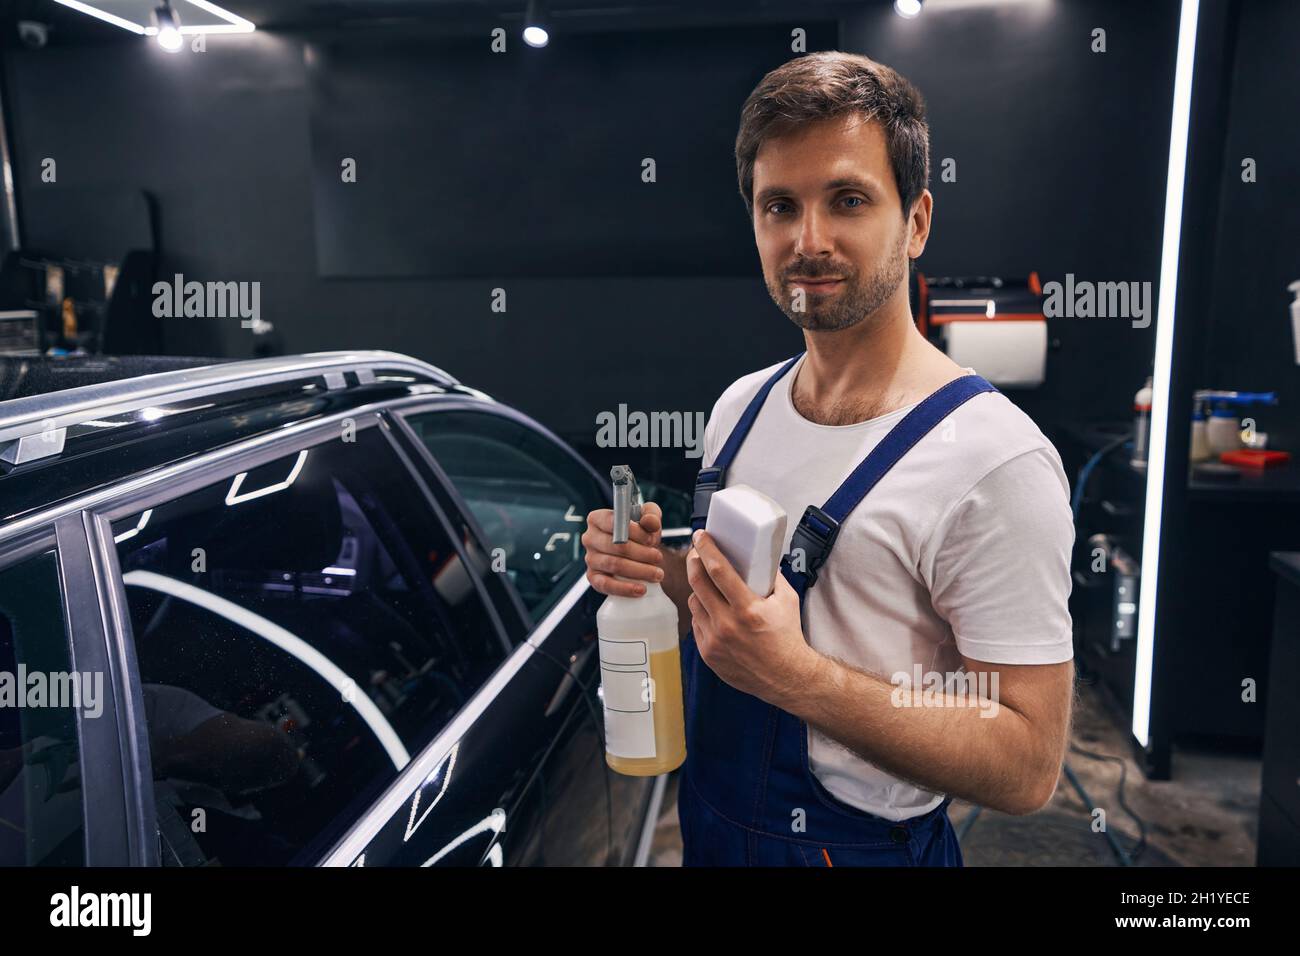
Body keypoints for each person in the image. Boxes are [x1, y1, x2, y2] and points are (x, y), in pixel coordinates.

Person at [583, 51, 1075, 867]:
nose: (808, 240)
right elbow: (739, 616)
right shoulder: (741, 408)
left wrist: (802, 680)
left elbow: (1028, 764)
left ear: (916, 221)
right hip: (711, 829)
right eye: (780, 205)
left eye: (847, 199)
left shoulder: (995, 461)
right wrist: (655, 573)